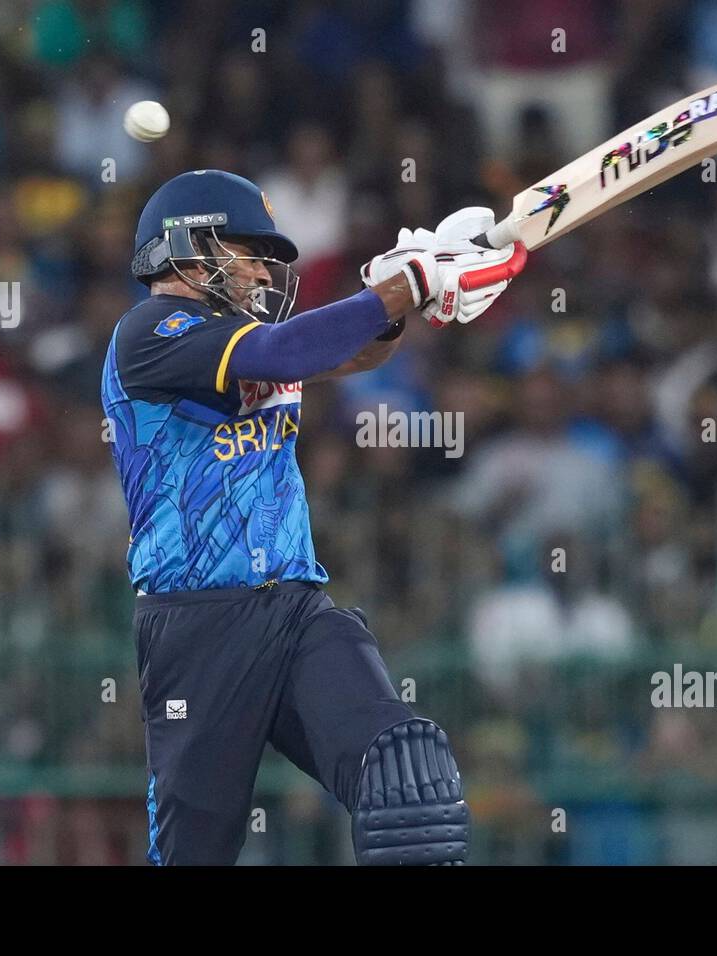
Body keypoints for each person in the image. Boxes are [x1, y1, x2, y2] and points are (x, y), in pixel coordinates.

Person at [101, 169, 524, 864]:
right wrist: (406, 284)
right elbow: (285, 350)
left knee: (407, 778)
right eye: (246, 249)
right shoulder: (150, 331)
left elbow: (355, 349)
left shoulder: (242, 334)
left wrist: (398, 299)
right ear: (186, 248)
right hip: (197, 625)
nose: (263, 270)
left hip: (297, 610)